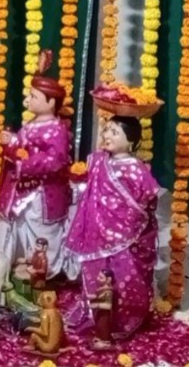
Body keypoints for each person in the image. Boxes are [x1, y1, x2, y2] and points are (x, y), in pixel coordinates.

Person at [64, 116, 160, 340]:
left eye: (115, 132)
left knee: (124, 275)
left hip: (127, 237)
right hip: (97, 231)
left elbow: (148, 200)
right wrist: (79, 184)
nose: (107, 135)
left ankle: (124, 318)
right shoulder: (98, 161)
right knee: (97, 273)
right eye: (106, 130)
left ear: (131, 142)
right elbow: (88, 190)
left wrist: (128, 222)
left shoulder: (136, 169)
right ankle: (95, 315)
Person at [0, 76, 75, 280]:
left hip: (43, 193)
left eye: (34, 96)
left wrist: (23, 165)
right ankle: (5, 266)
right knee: (14, 223)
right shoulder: (32, 123)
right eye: (29, 95)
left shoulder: (57, 129)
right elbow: (24, 148)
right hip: (20, 189)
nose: (29, 100)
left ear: (51, 102)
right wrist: (13, 142)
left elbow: (55, 161)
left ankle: (42, 271)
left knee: (40, 229)